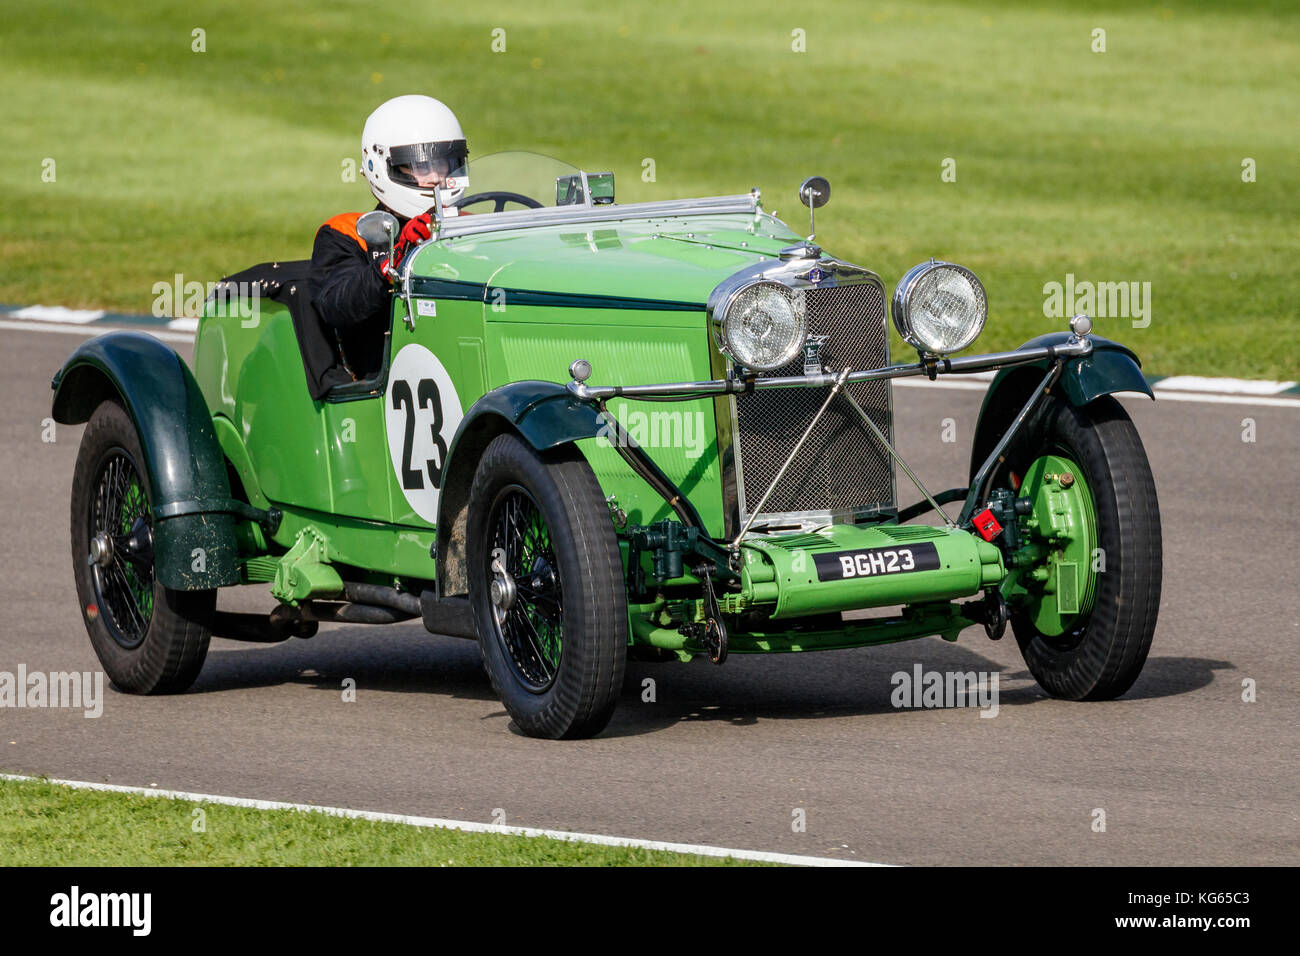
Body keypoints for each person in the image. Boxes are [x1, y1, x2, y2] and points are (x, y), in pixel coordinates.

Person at [309, 95, 468, 377]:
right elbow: (336, 305)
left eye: (443, 164)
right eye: (420, 166)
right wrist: (396, 260)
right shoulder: (347, 233)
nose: (435, 178)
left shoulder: (470, 226)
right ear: (382, 167)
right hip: (384, 379)